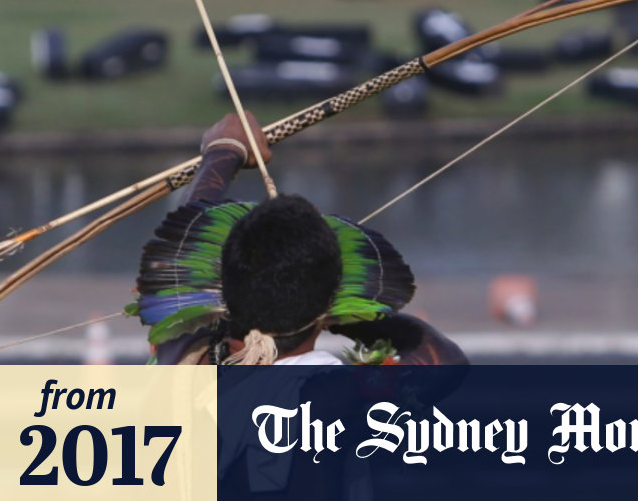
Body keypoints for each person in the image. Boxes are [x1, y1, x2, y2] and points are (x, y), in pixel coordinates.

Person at [135, 112, 467, 367]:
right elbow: (443, 359)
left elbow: (180, 263)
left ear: (221, 287)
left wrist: (223, 151)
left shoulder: (179, 358)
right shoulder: (356, 406)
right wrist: (340, 316)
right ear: (332, 305)